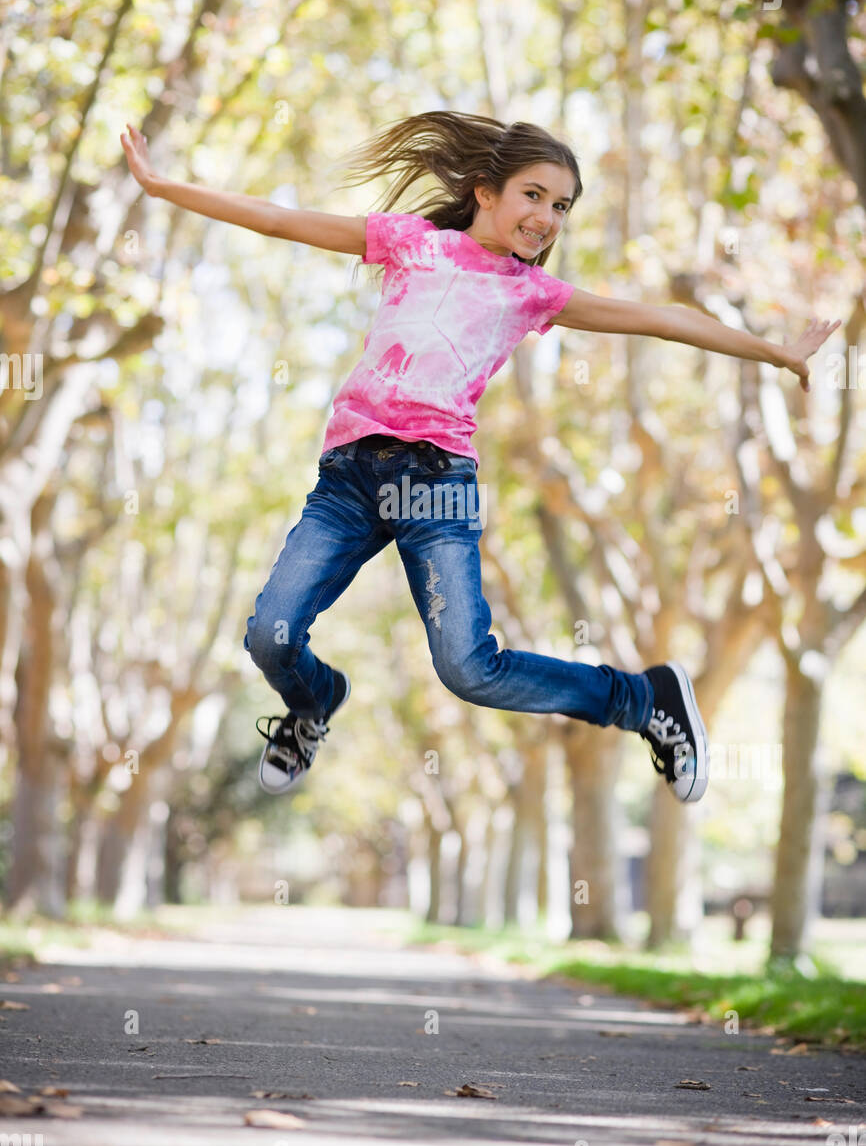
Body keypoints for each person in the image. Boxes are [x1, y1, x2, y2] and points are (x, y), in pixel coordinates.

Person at [120, 111, 840, 806]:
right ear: (485, 192)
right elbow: (279, 220)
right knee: (270, 636)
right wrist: (162, 186)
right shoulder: (410, 242)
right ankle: (314, 704)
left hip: (436, 485)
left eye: (561, 206)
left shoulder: (532, 293)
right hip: (349, 479)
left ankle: (644, 699)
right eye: (535, 195)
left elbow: (660, 320)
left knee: (468, 669)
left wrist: (776, 352)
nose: (547, 217)